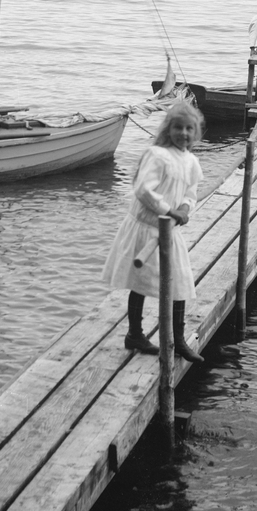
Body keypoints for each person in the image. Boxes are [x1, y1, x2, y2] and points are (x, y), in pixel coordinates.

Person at [102, 101, 204, 362]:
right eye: (178, 127)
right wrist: (169, 210)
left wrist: (184, 207)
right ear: (169, 129)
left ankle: (177, 340)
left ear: (196, 132)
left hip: (169, 230)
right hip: (147, 227)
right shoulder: (158, 155)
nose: (183, 133)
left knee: (179, 281)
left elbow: (191, 192)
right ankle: (135, 333)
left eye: (189, 129)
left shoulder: (190, 160)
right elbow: (144, 190)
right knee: (142, 281)